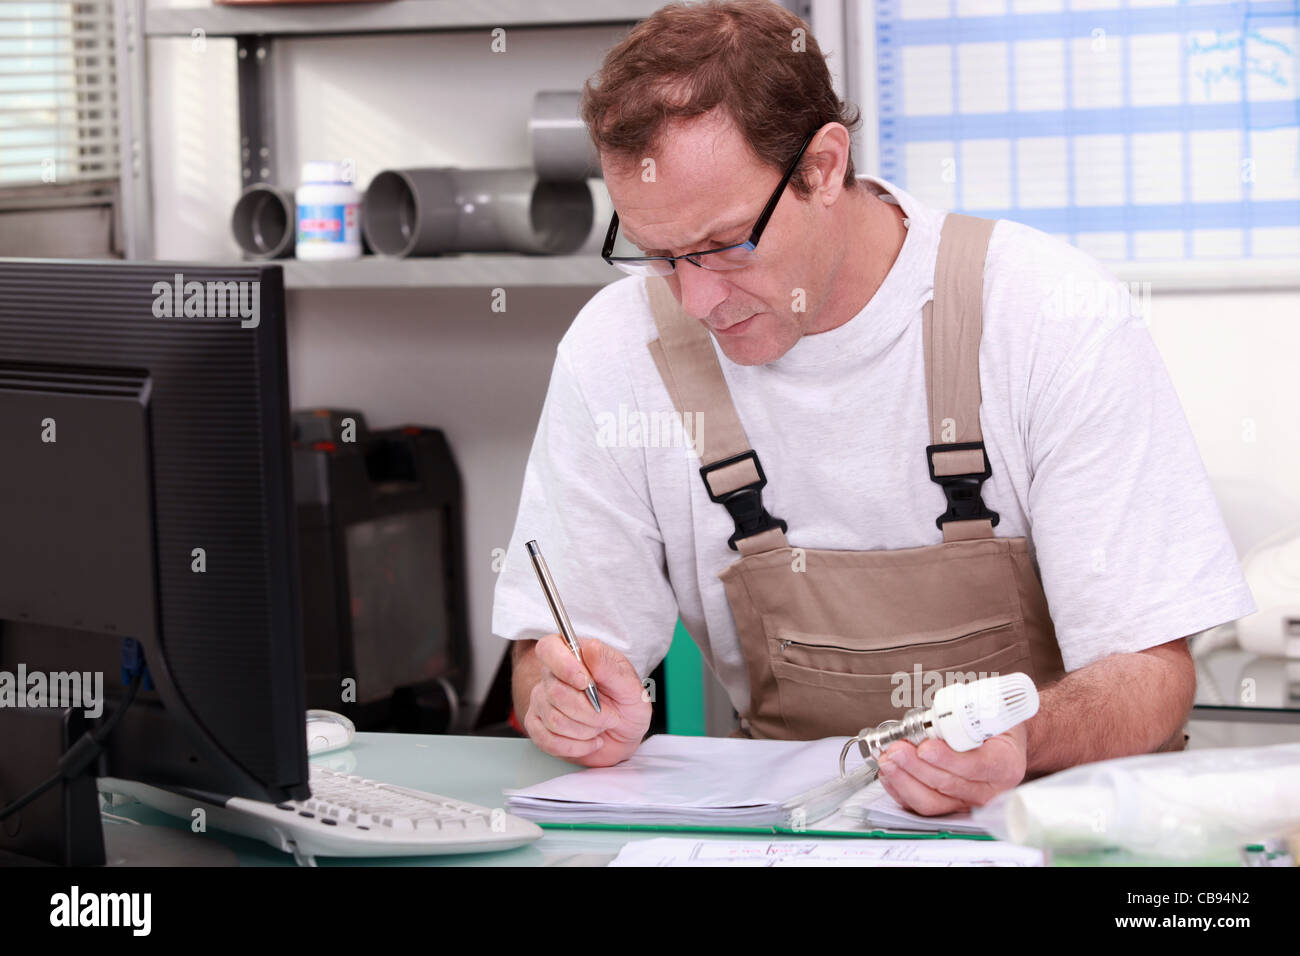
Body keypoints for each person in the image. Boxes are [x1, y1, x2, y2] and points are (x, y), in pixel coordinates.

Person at [491, 0, 1255, 815]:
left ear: (822, 167)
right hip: (799, 833)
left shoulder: (1044, 312)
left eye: (723, 245)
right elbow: (555, 649)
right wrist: (563, 694)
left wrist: (1022, 743)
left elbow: (1152, 676)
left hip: (1052, 821)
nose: (699, 298)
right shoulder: (617, 349)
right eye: (660, 255)